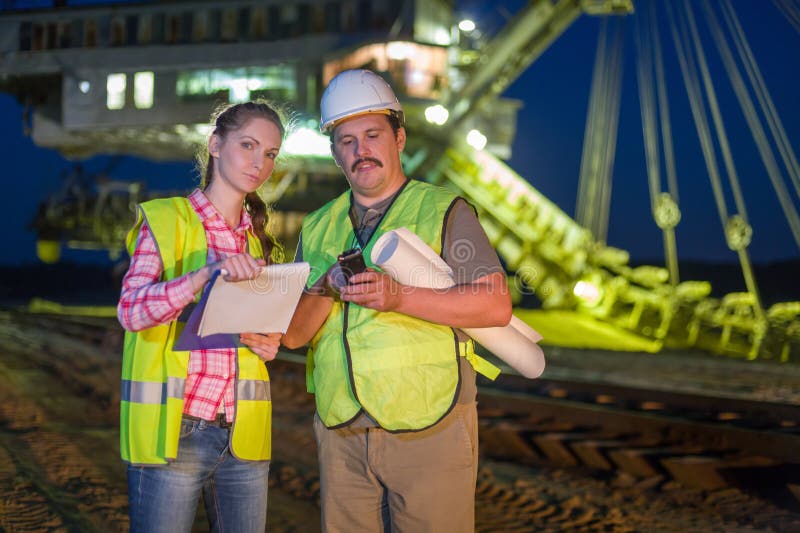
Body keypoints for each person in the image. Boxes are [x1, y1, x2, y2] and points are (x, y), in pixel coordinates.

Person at [283, 69, 513, 532]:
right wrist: (323, 287)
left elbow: (495, 307)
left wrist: (399, 296)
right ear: (334, 153)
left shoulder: (444, 210)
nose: (360, 150)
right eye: (346, 141)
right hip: (342, 431)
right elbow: (294, 335)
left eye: (372, 135)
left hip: (429, 428)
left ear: (399, 138)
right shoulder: (318, 227)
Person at [117, 100, 286, 533]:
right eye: (248, 145)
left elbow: (253, 339)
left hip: (243, 437)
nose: (259, 162)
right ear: (215, 144)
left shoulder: (264, 246)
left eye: (270, 153)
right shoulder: (166, 220)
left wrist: (267, 345)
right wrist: (203, 275)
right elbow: (131, 311)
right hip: (175, 430)